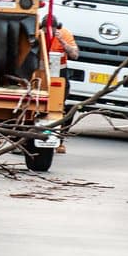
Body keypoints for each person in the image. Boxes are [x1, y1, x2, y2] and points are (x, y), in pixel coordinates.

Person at [46, 14, 79, 152]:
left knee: (61, 108)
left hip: (60, 74)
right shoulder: (36, 32)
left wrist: (62, 41)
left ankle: (59, 140)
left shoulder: (64, 34)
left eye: (52, 30)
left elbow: (75, 55)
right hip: (40, 72)